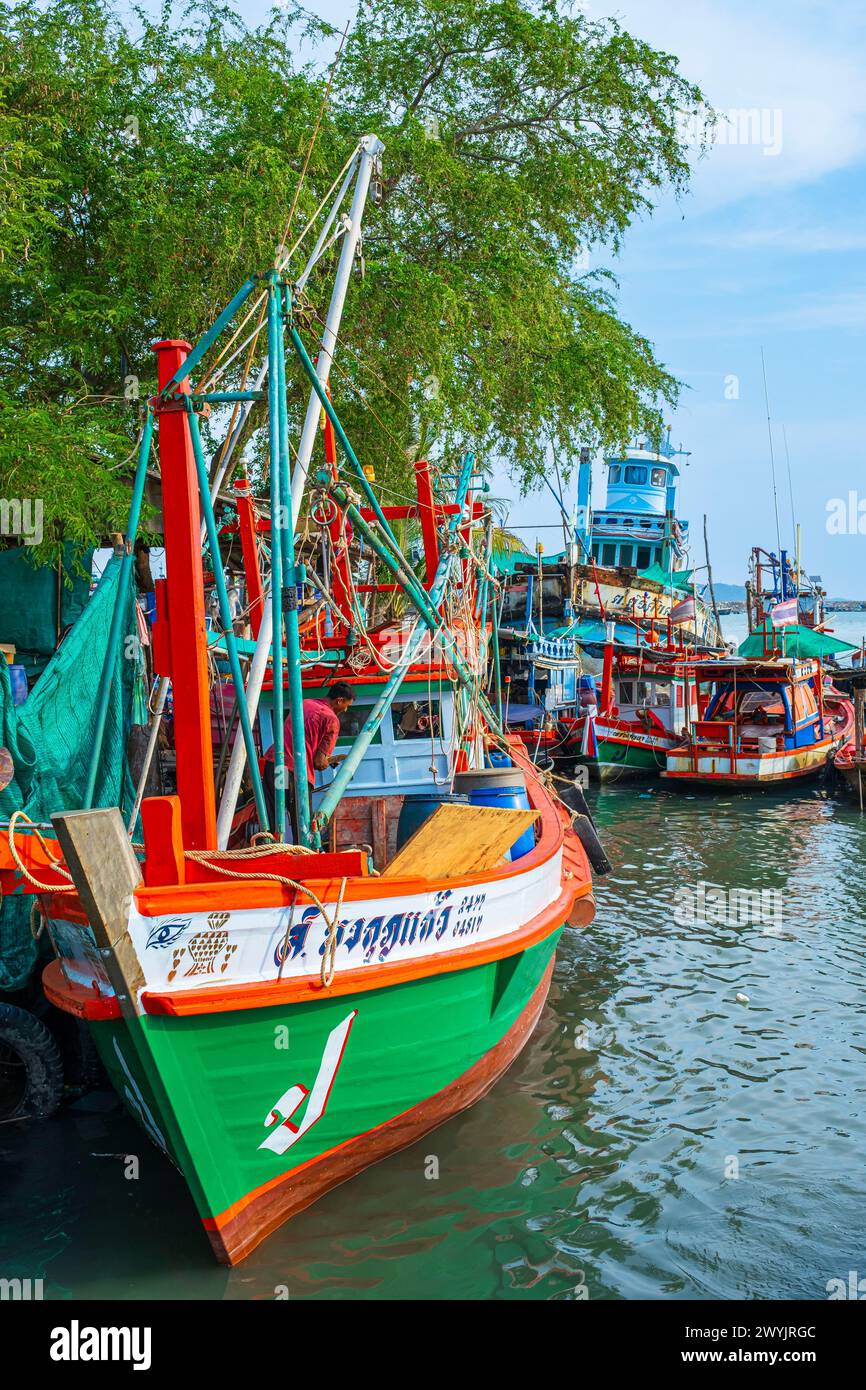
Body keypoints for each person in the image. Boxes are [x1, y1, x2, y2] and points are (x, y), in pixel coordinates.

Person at [262, 682, 355, 840]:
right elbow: (319, 763)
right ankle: (302, 855)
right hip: (298, 775)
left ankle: (270, 847)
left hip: (277, 766)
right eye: (346, 705)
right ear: (339, 700)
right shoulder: (332, 720)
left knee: (275, 813)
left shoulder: (305, 703)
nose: (345, 710)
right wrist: (332, 760)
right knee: (301, 822)